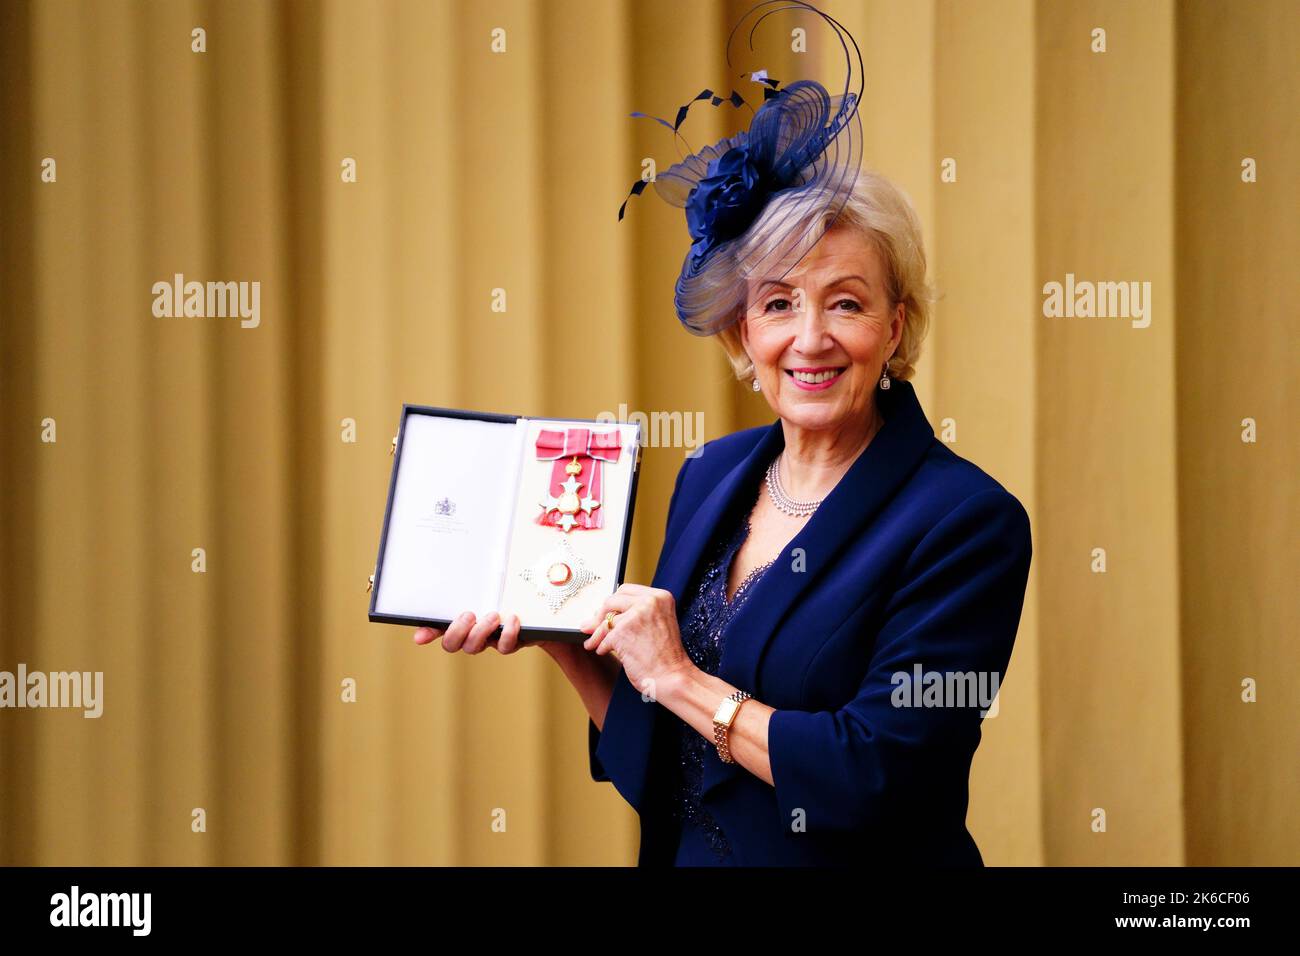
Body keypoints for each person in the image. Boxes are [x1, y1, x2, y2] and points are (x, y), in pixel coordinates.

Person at [415, 0, 1031, 866]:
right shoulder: (713, 473)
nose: (809, 338)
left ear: (896, 328)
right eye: (778, 303)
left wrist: (679, 678)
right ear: (744, 334)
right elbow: (665, 766)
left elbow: (878, 776)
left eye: (846, 303)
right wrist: (559, 634)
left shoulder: (966, 520)